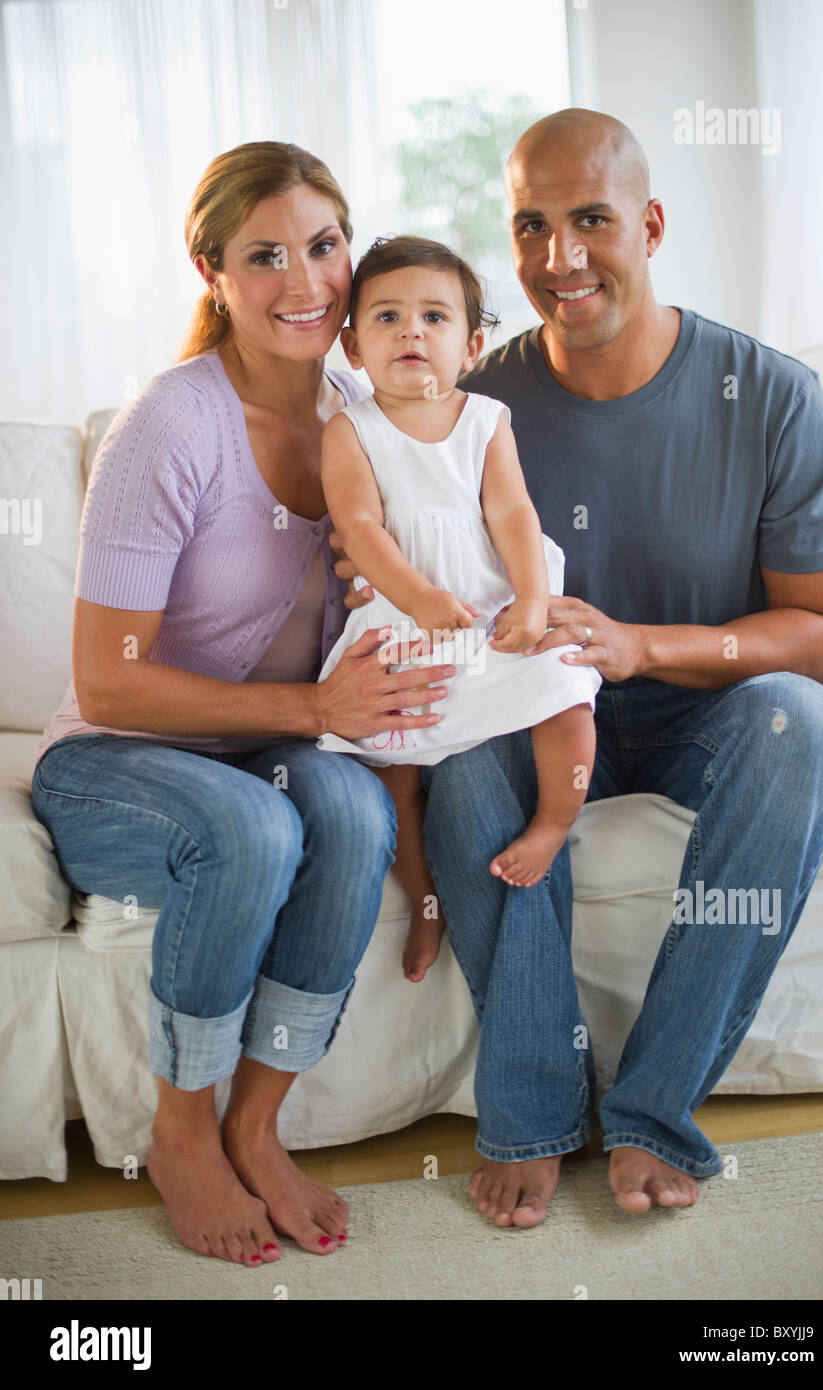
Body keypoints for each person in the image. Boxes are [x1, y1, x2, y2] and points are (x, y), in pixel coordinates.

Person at [334, 108, 823, 1226]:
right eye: (531, 228)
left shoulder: (771, 396)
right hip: (530, 704)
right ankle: (529, 1110)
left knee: (805, 726)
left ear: (651, 224)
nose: (559, 260)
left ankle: (654, 1111)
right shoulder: (472, 396)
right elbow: (371, 504)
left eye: (590, 222)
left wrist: (638, 645)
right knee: (475, 771)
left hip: (705, 711)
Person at [29, 141, 459, 1265]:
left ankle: (256, 1124)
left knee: (352, 819)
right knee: (255, 823)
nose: (307, 282)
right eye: (265, 256)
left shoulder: (368, 413)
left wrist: (414, 854)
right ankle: (181, 1134)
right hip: (118, 760)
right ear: (212, 269)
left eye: (324, 246)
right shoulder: (170, 424)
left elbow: (394, 656)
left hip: (262, 743)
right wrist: (317, 707)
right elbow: (111, 676)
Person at [315, 235, 601, 981]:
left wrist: (534, 599)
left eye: (434, 317)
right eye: (387, 316)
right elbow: (361, 528)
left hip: (493, 612)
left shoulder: (485, 421)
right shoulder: (351, 432)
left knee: (566, 691)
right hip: (405, 620)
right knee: (391, 769)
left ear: (471, 345)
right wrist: (417, 597)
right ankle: (424, 900)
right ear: (352, 346)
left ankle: (550, 824)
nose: (412, 330)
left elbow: (513, 512)